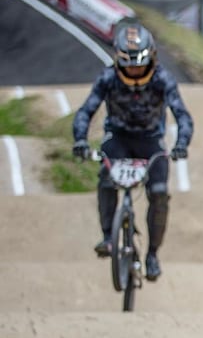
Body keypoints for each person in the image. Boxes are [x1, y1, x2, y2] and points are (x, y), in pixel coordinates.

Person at [72, 22, 193, 281]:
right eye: (130, 66)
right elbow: (85, 111)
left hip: (151, 141)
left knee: (159, 194)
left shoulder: (163, 79)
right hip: (118, 138)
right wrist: (80, 140)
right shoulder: (108, 79)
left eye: (140, 65)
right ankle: (107, 237)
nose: (136, 71)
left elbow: (182, 115)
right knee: (106, 180)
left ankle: (152, 255)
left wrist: (181, 143)